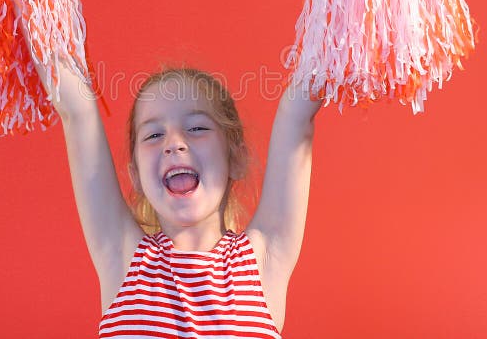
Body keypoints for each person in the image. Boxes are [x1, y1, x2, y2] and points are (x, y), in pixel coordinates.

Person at [38, 56, 320, 338]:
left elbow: (296, 112)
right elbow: (77, 111)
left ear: (235, 158)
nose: (173, 143)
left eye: (197, 128)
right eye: (154, 135)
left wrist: (350, 19)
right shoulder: (124, 259)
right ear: (135, 174)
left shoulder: (262, 261)